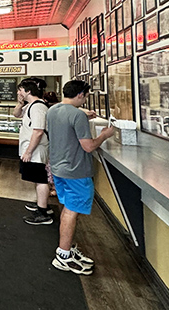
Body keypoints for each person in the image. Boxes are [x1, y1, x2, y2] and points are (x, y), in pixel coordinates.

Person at [47, 80, 115, 275]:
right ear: (80, 95)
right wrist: (105, 135)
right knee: (71, 211)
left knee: (68, 208)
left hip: (59, 168)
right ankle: (64, 255)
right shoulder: (77, 116)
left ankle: (65, 248)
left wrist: (83, 113)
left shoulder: (53, 110)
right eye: (85, 96)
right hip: (75, 171)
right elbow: (88, 146)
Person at [13, 78, 53, 225]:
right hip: (32, 150)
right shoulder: (31, 105)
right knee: (37, 179)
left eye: (20, 90)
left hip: (36, 151)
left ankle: (43, 213)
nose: (18, 92)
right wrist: (20, 102)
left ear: (28, 91)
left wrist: (29, 151)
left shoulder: (38, 107)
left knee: (41, 179)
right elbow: (16, 114)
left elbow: (38, 131)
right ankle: (41, 205)